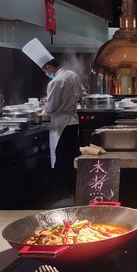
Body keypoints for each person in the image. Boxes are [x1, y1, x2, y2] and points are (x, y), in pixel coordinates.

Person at [38, 58, 84, 195]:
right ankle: (71, 187)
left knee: (61, 157)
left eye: (45, 71)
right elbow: (81, 93)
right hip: (73, 121)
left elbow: (52, 106)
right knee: (71, 156)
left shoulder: (55, 82)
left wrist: (44, 111)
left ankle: (62, 189)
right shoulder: (73, 75)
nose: (46, 74)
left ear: (49, 67)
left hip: (61, 124)